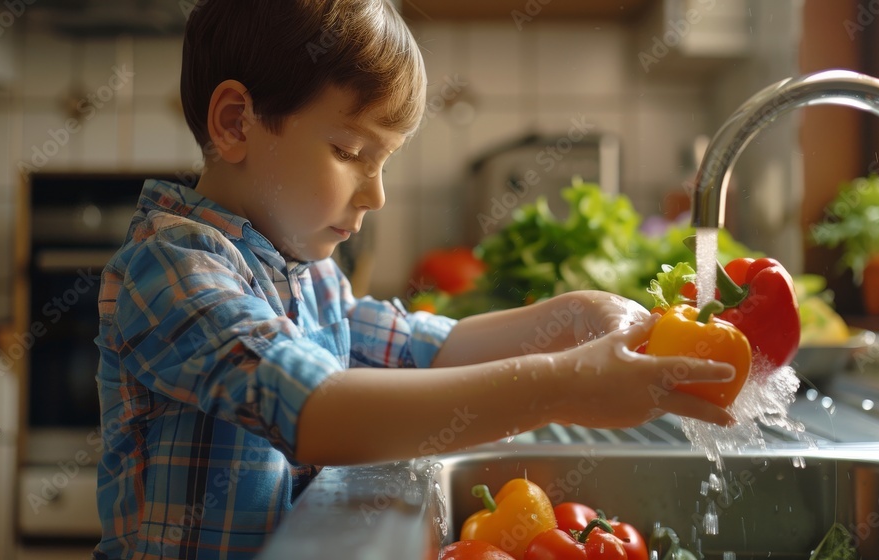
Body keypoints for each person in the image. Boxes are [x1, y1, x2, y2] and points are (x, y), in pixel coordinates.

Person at [92, 0, 735, 557]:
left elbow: (421, 349)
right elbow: (317, 411)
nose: (375, 194)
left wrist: (573, 316)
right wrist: (566, 386)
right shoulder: (171, 266)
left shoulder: (306, 272)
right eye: (349, 152)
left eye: (385, 161)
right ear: (235, 122)